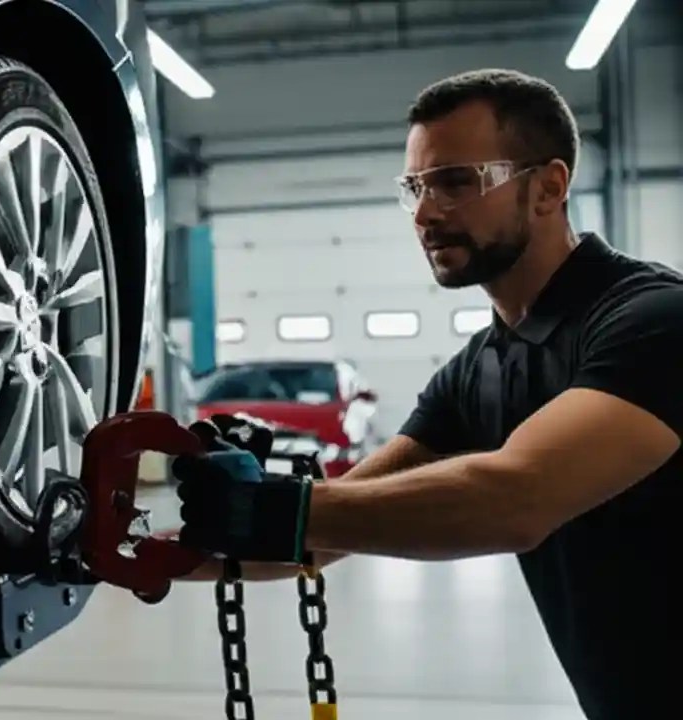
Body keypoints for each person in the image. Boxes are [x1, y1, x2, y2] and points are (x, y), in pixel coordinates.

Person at [169, 68, 683, 720]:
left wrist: (272, 507)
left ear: (549, 187)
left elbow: (516, 499)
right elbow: (330, 528)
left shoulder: (653, 320)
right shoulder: (480, 369)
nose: (426, 212)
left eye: (457, 183)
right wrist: (134, 547)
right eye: (416, 187)